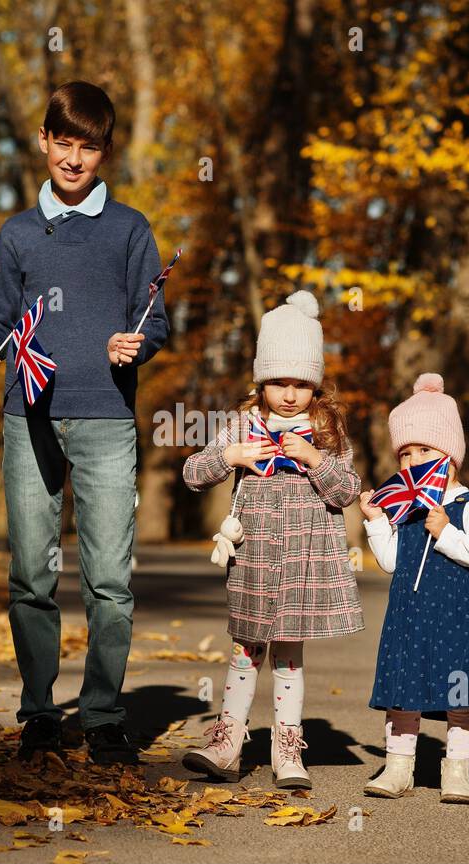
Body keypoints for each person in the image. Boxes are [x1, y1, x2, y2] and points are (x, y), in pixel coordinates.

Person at [0, 81, 169, 765]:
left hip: (107, 420)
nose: (74, 158)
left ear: (104, 151)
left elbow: (153, 318)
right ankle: (41, 713)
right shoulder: (18, 233)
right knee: (31, 574)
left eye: (89, 146)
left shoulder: (131, 230)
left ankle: (105, 712)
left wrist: (135, 344)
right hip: (30, 418)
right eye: (64, 142)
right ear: (43, 140)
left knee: (109, 579)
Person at [180, 290, 363, 790]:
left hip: (304, 560)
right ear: (261, 381)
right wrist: (230, 457)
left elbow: (349, 491)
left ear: (315, 386)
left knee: (288, 655)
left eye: (301, 384)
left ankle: (287, 748)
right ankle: (227, 742)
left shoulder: (327, 432)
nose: (289, 394)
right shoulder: (241, 425)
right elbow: (192, 473)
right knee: (245, 650)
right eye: (278, 382)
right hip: (255, 559)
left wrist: (313, 458)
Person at [359, 373, 469, 804]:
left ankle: (457, 768)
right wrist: (375, 521)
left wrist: (445, 533)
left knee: (462, 694)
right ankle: (399, 766)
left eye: (425, 449)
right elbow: (391, 562)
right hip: (410, 616)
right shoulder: (403, 510)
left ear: (452, 456)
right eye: (405, 454)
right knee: (403, 694)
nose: (414, 460)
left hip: (461, 618)